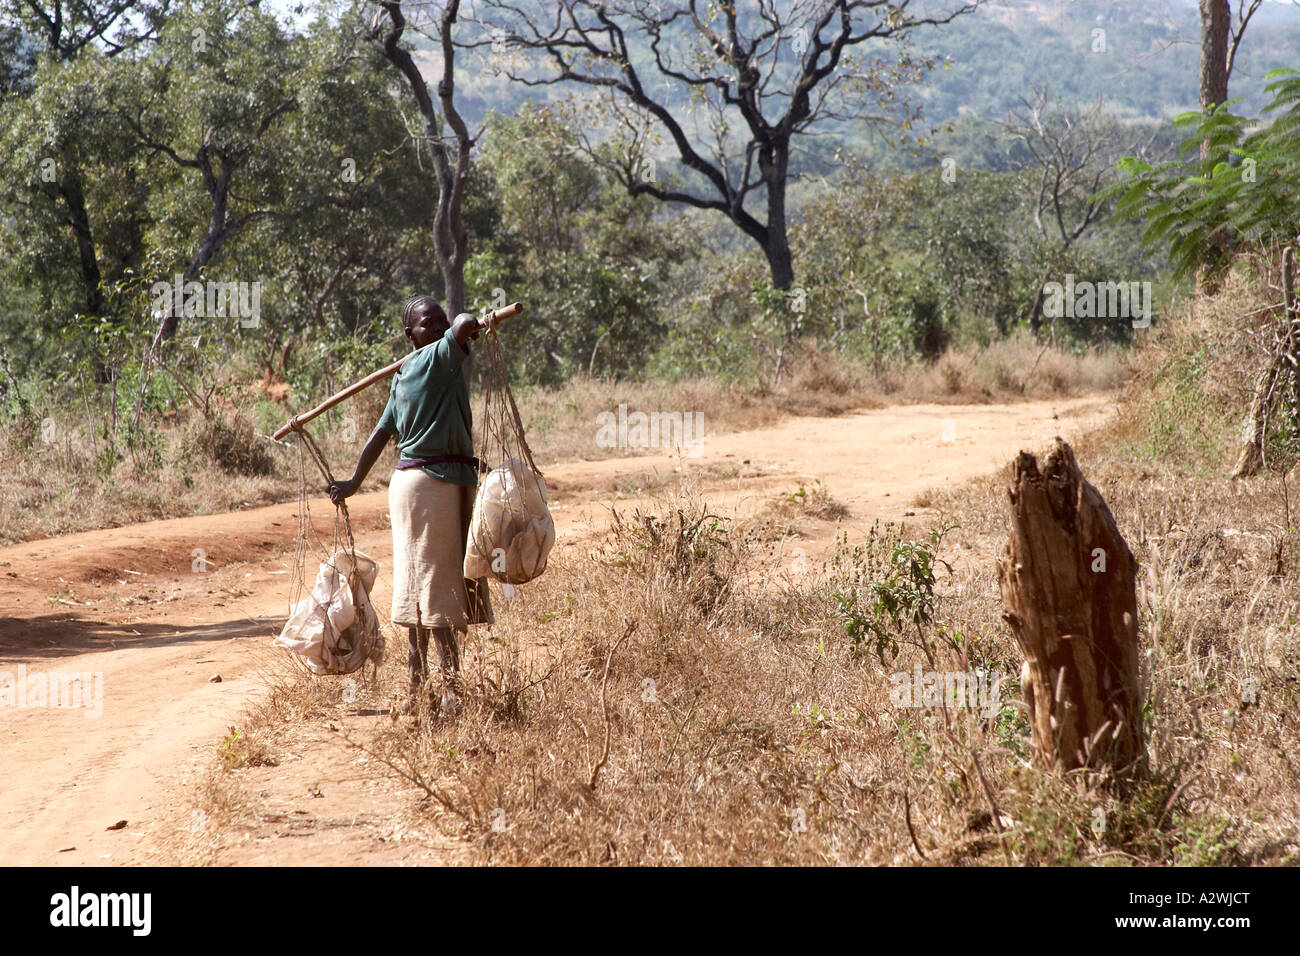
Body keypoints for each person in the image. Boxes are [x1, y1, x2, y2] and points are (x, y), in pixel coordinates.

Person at [327, 294, 493, 716]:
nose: (437, 326)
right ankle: (447, 691)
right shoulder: (437, 357)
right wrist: (465, 322)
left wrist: (352, 482)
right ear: (411, 334)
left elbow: (382, 434)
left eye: (439, 319)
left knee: (422, 589)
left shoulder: (404, 373)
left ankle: (418, 686)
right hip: (431, 486)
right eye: (427, 322)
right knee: (437, 592)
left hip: (414, 484)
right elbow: (465, 322)